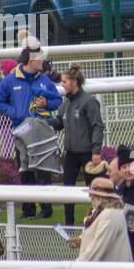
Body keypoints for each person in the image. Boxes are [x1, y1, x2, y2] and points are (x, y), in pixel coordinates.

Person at [0, 41, 63, 218]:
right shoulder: (10, 80)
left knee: (43, 171)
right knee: (26, 170)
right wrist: (14, 113)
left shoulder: (44, 80)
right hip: (22, 131)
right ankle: (28, 209)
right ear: (31, 60)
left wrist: (47, 103)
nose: (43, 62)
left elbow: (58, 101)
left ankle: (46, 210)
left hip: (41, 131)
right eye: (40, 59)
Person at [53, 63, 105, 225]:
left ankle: (98, 221)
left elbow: (97, 126)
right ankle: (69, 225)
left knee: (94, 190)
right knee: (68, 190)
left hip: (88, 154)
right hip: (71, 155)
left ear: (75, 82)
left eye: (65, 82)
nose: (62, 85)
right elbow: (58, 123)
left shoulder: (88, 101)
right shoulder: (66, 103)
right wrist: (42, 118)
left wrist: (96, 151)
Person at [67, 178, 132, 262]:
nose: (90, 197)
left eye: (93, 194)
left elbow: (97, 248)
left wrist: (75, 266)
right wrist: (81, 240)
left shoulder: (110, 215)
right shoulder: (101, 212)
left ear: (101, 197)